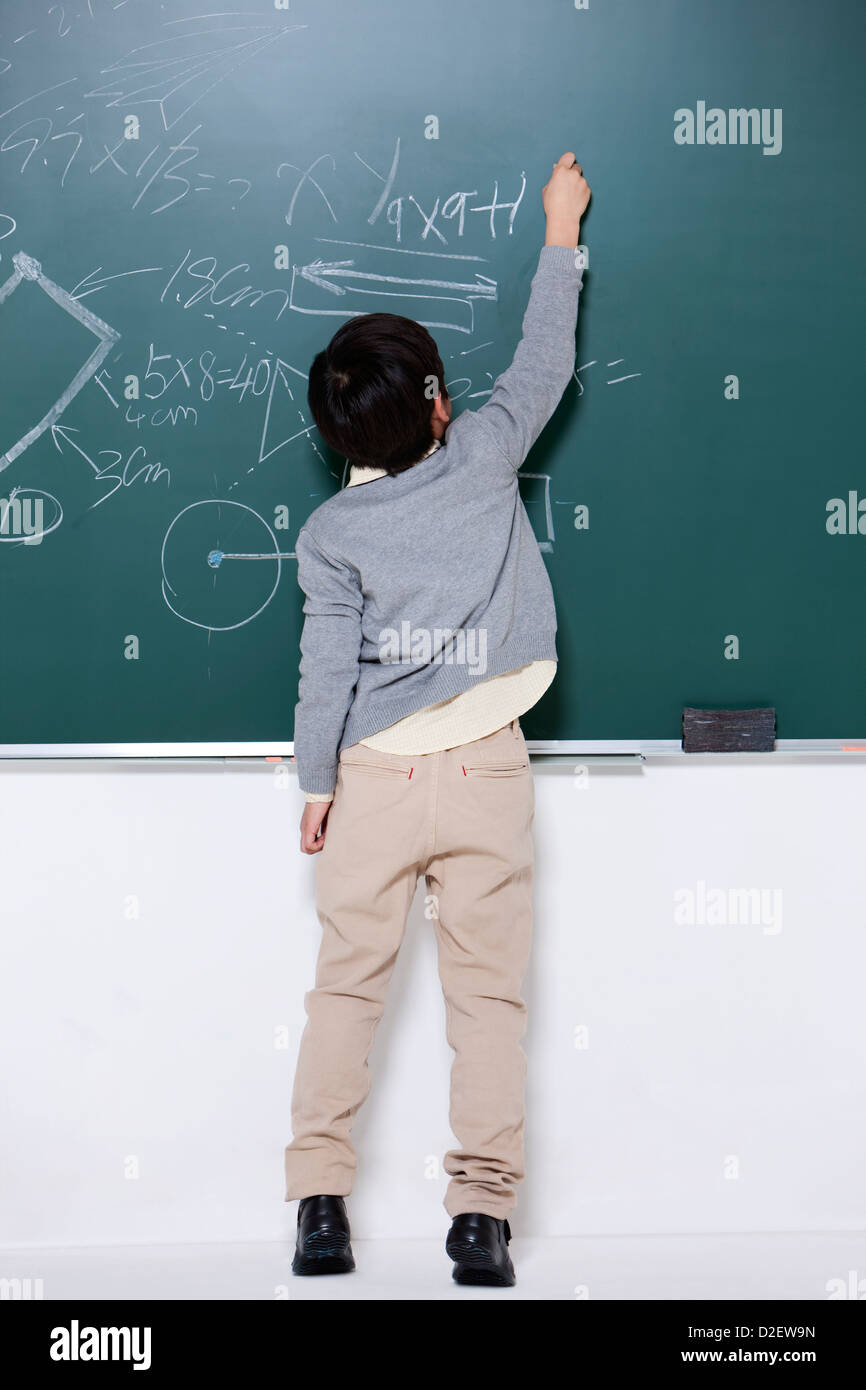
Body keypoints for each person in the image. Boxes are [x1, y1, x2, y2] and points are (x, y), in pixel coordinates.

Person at [285, 152, 591, 1287]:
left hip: (367, 780)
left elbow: (324, 674)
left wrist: (317, 787)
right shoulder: (483, 454)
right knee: (487, 999)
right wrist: (559, 228)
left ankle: (319, 1205)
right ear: (435, 405)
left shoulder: (330, 540)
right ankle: (481, 1221)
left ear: (335, 438)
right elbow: (544, 359)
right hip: (481, 775)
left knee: (345, 988)